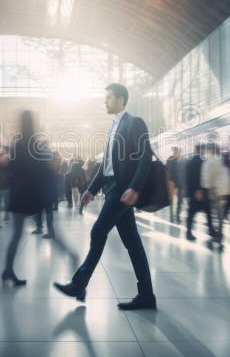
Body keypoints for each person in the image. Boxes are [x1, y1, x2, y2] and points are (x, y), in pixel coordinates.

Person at [54, 83, 156, 310]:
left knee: (98, 230)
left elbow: (145, 158)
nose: (105, 101)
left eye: (109, 97)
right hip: (112, 187)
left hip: (122, 189)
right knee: (133, 243)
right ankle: (147, 294)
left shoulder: (134, 123)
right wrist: (91, 189)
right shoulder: (112, 127)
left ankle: (79, 284)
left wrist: (134, 187)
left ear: (121, 99)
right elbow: (105, 165)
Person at [2, 111, 54, 285]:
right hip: (30, 195)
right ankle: (72, 257)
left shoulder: (16, 144)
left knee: (16, 234)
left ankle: (8, 270)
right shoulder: (35, 146)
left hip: (17, 194)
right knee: (50, 230)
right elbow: (41, 171)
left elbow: (10, 167)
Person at [201, 142, 230, 249]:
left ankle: (218, 235)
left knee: (216, 214)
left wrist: (207, 188)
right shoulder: (221, 159)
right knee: (220, 215)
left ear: (210, 150)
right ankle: (219, 234)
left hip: (215, 190)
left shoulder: (210, 161)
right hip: (224, 191)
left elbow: (206, 178)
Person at [185, 144, 216, 241]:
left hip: (193, 192)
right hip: (200, 192)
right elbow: (198, 177)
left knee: (194, 213)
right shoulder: (201, 162)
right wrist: (198, 190)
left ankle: (189, 232)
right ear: (201, 150)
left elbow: (188, 178)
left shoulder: (189, 162)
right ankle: (209, 231)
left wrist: (191, 191)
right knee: (205, 211)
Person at [166, 147, 184, 223]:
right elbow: (167, 170)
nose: (176, 152)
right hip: (172, 181)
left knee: (180, 200)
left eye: (177, 151)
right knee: (171, 200)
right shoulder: (170, 159)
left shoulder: (181, 159)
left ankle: (177, 216)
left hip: (180, 182)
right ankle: (172, 217)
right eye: (175, 150)